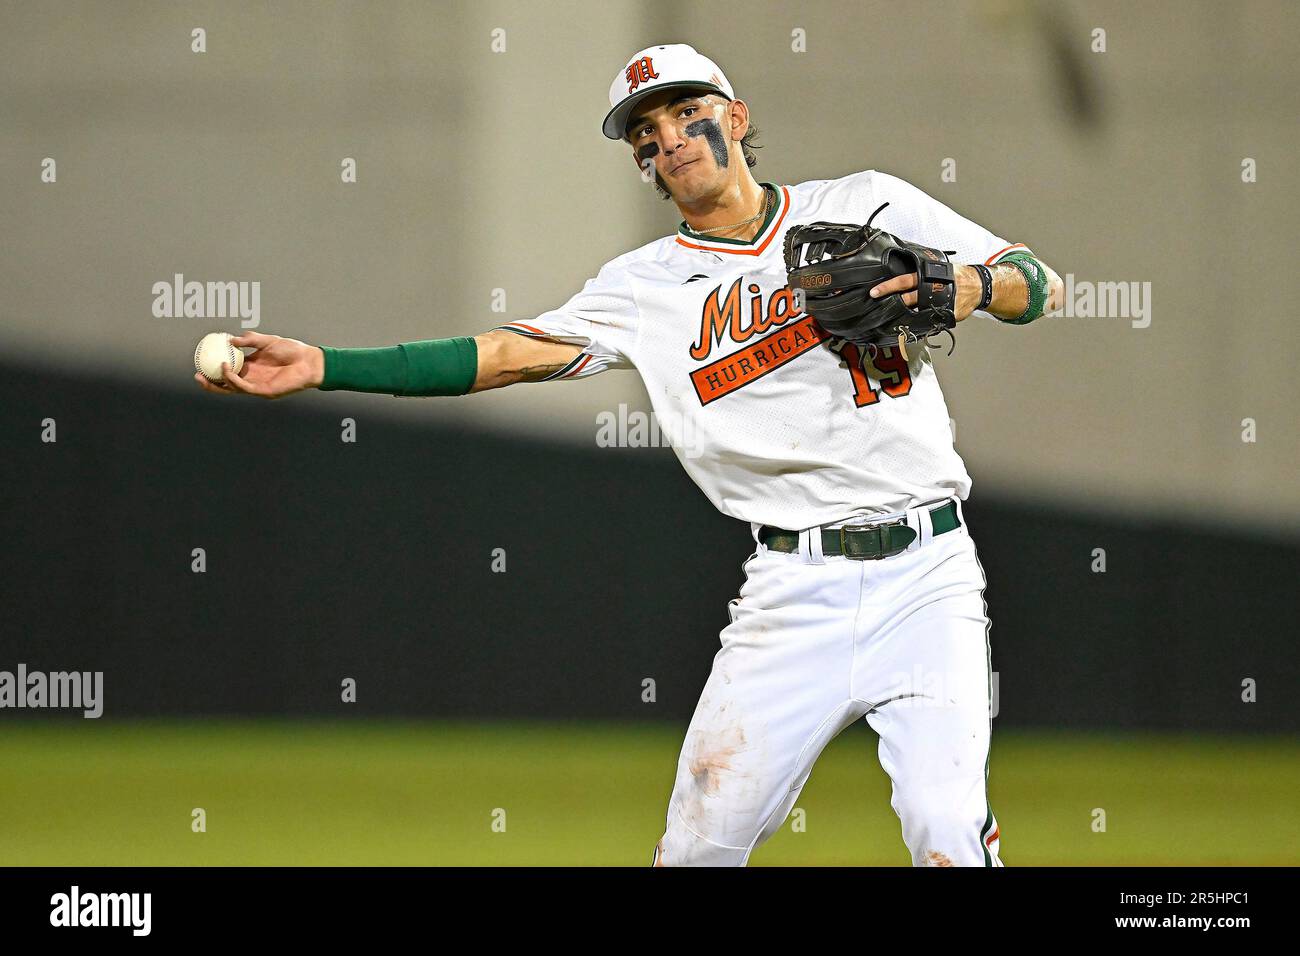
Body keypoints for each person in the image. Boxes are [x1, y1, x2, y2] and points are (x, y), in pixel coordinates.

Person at [196, 43, 1064, 867]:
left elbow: (1038, 282)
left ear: (736, 115)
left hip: (928, 573)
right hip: (793, 592)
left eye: (687, 115)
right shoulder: (641, 288)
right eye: (648, 136)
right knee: (697, 846)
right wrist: (325, 367)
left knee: (944, 826)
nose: (670, 141)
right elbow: (499, 355)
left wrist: (970, 284)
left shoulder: (865, 201)